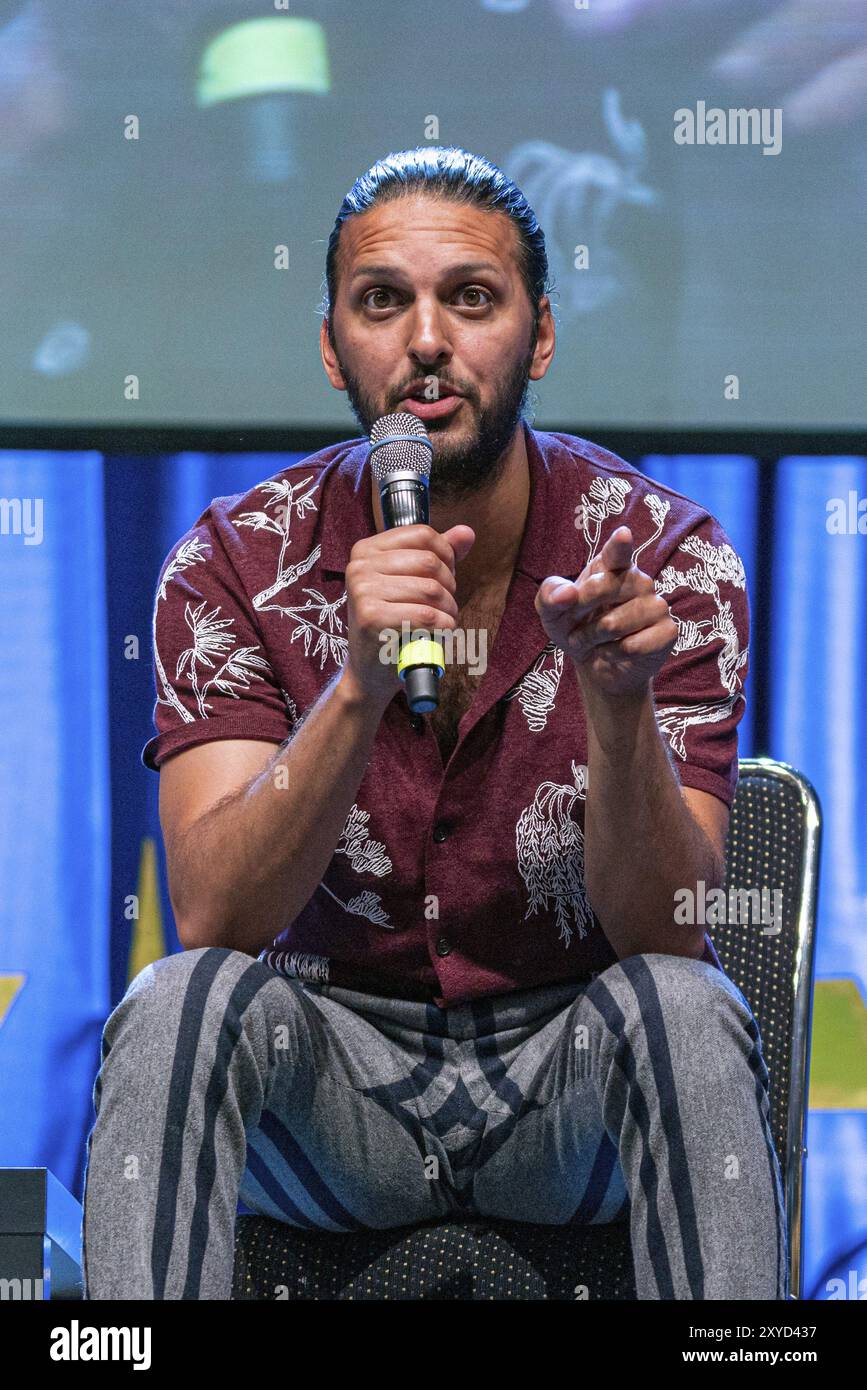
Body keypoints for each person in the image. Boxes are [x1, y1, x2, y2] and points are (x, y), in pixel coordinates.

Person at [81, 146, 787, 1300]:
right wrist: (357, 686)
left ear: (540, 335)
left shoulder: (665, 556)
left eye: (470, 298)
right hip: (328, 1091)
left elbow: (671, 930)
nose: (425, 342)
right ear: (331, 347)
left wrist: (618, 713)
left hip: (568, 1089)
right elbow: (213, 910)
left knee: (685, 1006)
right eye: (382, 302)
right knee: (178, 1001)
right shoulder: (231, 564)